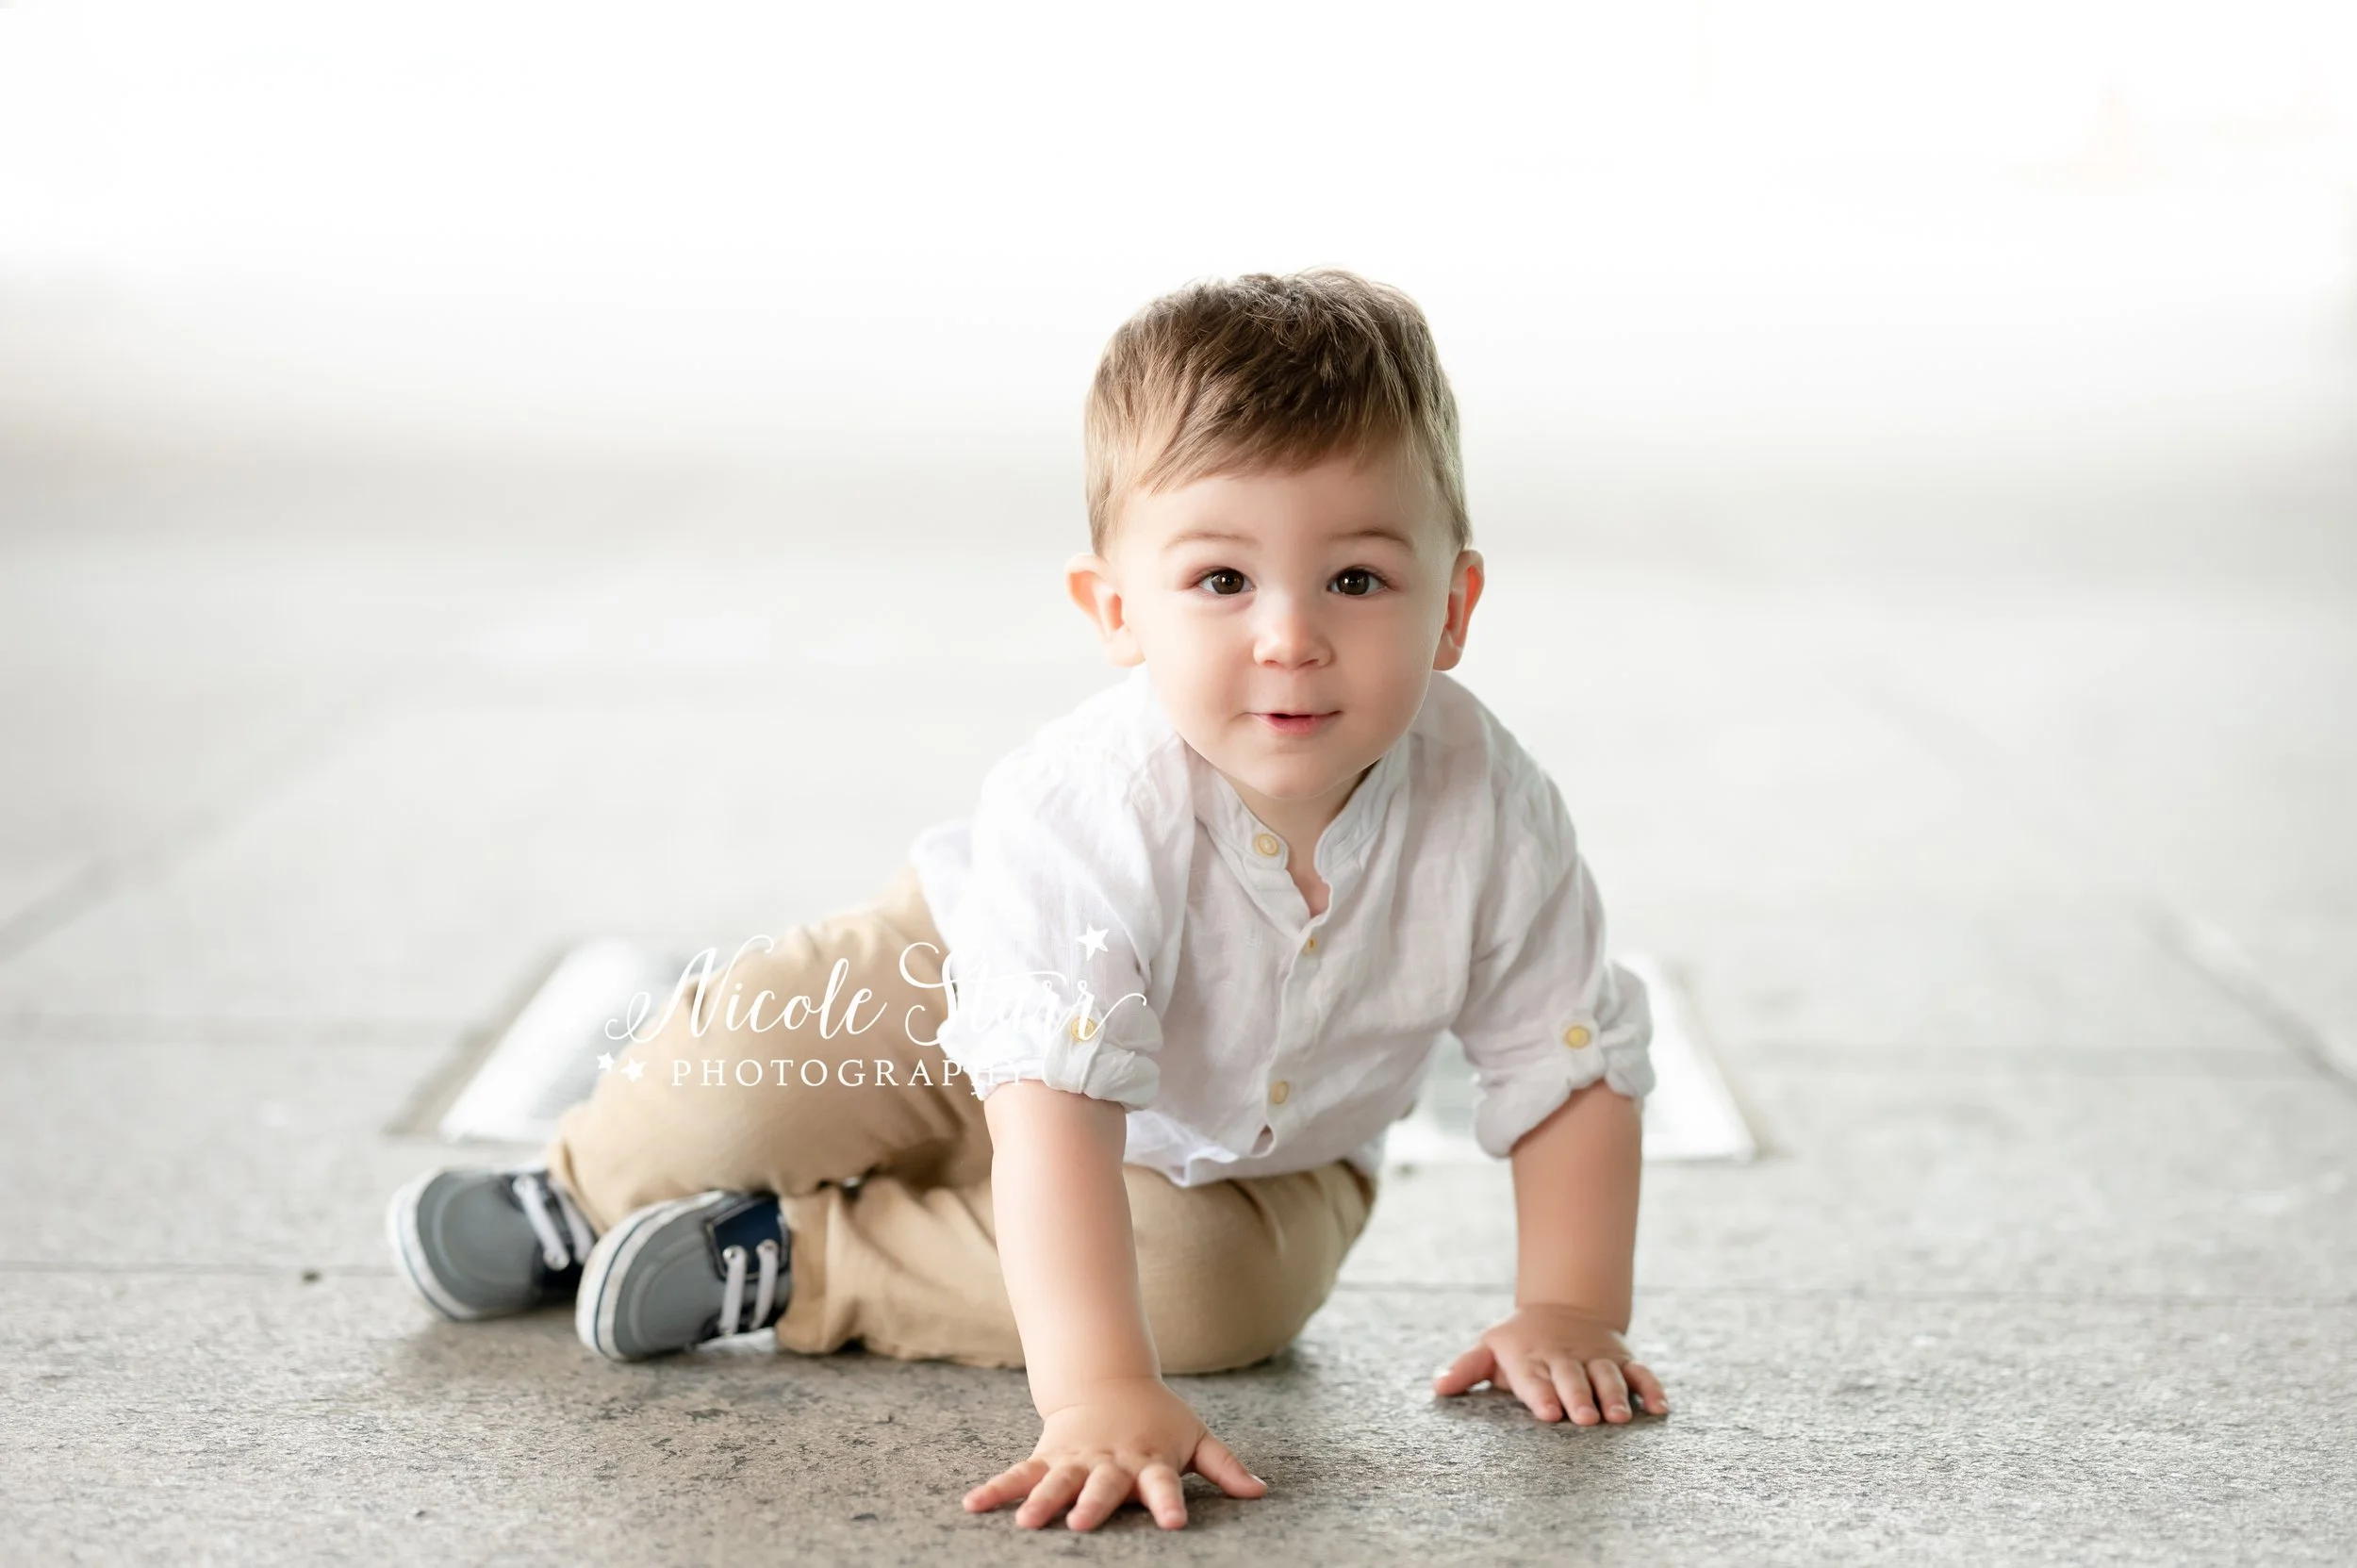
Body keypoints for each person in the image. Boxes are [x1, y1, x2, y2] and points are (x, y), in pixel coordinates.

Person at [386, 266, 1669, 1532]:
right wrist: (1097, 1391)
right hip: (948, 1001)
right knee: (745, 1081)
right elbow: (1054, 1115)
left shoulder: (1493, 808)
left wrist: (1569, 1307)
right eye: (1223, 582)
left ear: (1453, 608)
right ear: (1116, 611)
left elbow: (1565, 1061)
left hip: (1258, 1152)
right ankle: (584, 1190)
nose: (1290, 637)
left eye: (1357, 580)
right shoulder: (1093, 801)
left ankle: (794, 1260)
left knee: (1219, 1302)